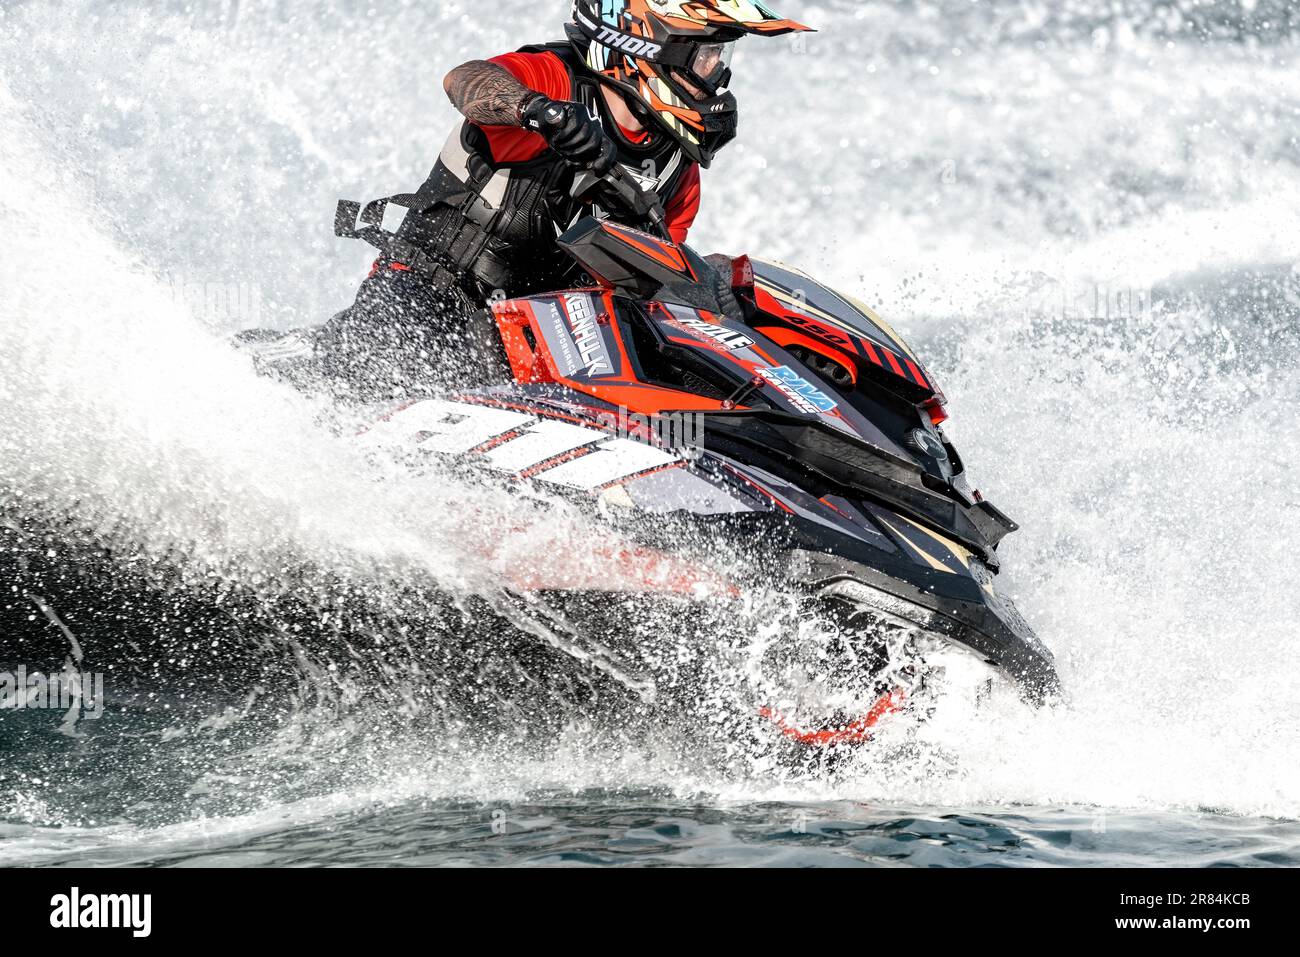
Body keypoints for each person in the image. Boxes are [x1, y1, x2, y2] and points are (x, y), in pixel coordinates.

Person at [298, 1, 811, 397]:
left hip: (533, 340)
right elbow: (465, 80)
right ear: (647, 47)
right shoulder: (555, 76)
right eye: (705, 55)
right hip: (428, 294)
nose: (717, 74)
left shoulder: (677, 172)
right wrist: (537, 112)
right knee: (393, 363)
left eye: (721, 56)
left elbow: (644, 284)